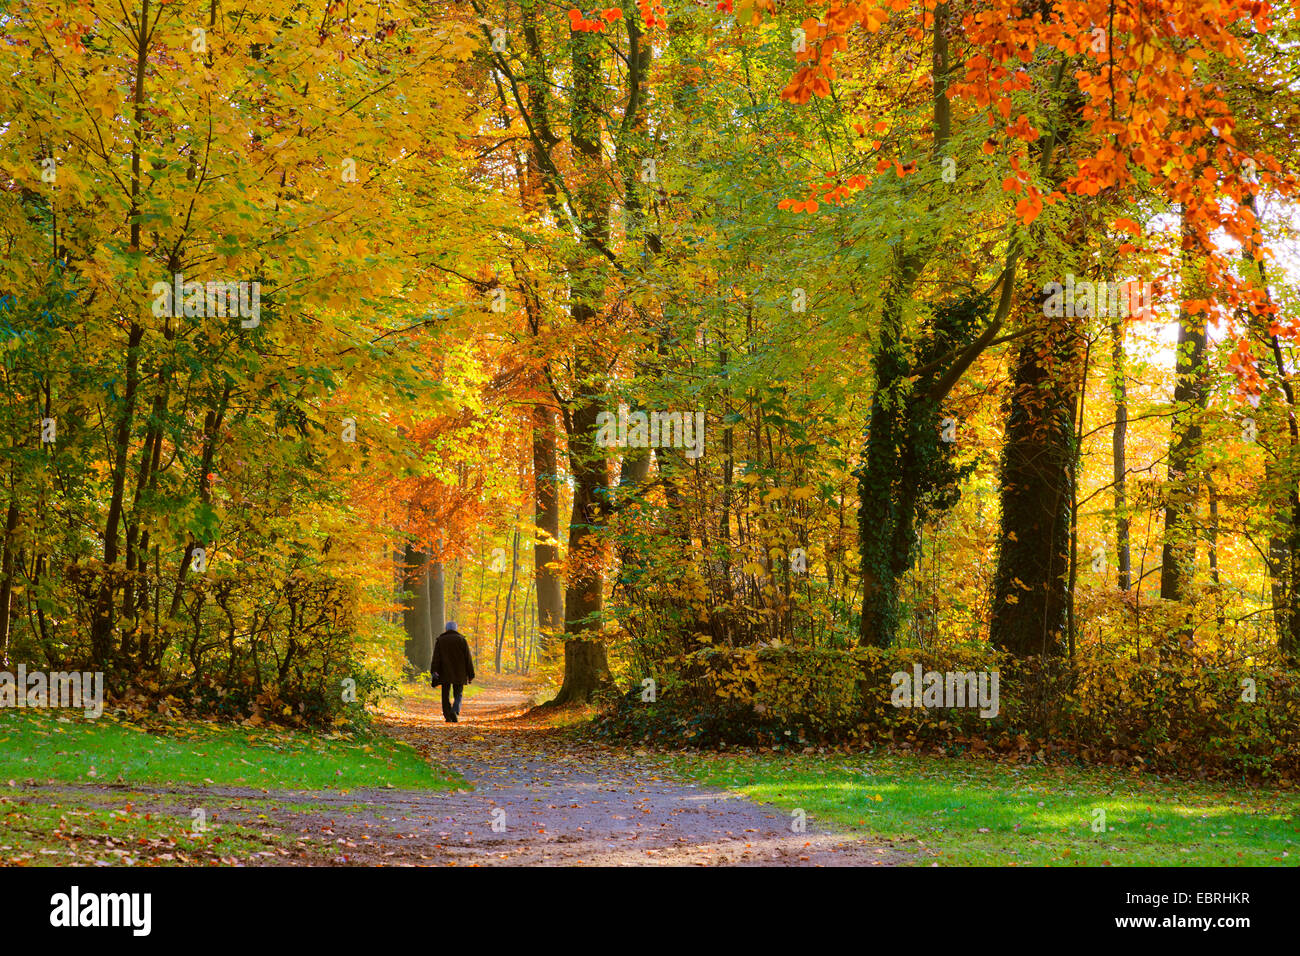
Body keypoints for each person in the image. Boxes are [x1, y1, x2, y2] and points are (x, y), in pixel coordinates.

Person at [430, 621, 475, 723]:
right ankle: (454, 710)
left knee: (445, 694)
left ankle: (447, 715)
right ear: (455, 629)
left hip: (444, 671)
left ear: (446, 629)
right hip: (460, 672)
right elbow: (468, 658)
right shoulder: (462, 640)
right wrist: (471, 674)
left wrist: (434, 670)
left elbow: (436, 657)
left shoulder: (441, 640)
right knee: (458, 693)